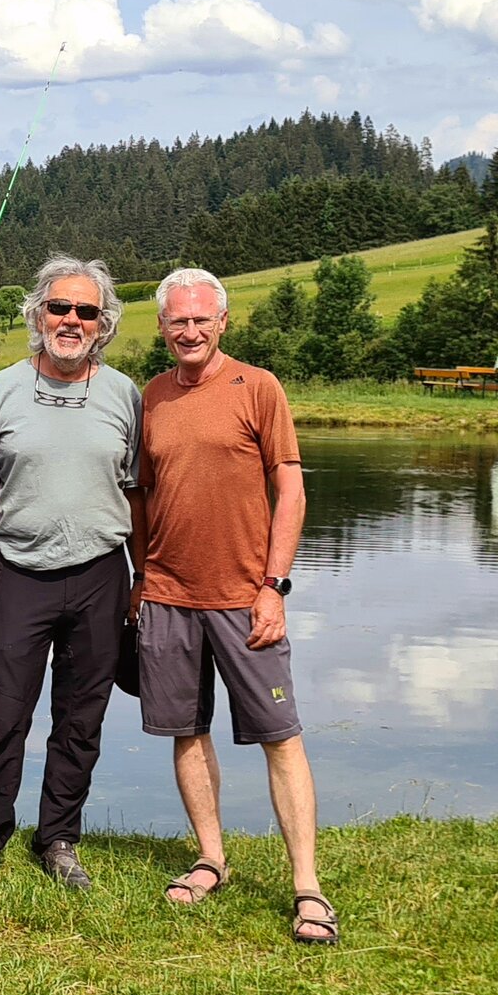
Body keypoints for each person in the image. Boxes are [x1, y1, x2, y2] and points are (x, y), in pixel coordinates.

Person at [134, 268, 336, 945]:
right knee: (187, 732)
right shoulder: (151, 398)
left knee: (282, 736)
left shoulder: (260, 387)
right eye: (176, 321)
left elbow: (292, 489)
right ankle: (209, 858)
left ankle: (307, 888)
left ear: (222, 322)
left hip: (247, 597)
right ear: (162, 328)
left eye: (200, 319)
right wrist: (141, 575)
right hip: (167, 595)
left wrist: (273, 586)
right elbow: (141, 499)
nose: (188, 330)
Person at [0, 256, 143, 890]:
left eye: (86, 311)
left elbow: (137, 494)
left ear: (103, 324)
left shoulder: (124, 395)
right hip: (22, 573)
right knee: (2, 713)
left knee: (81, 716)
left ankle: (59, 837)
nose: (71, 320)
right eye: (60, 308)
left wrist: (142, 577)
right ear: (38, 315)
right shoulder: (1, 390)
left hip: (102, 574)